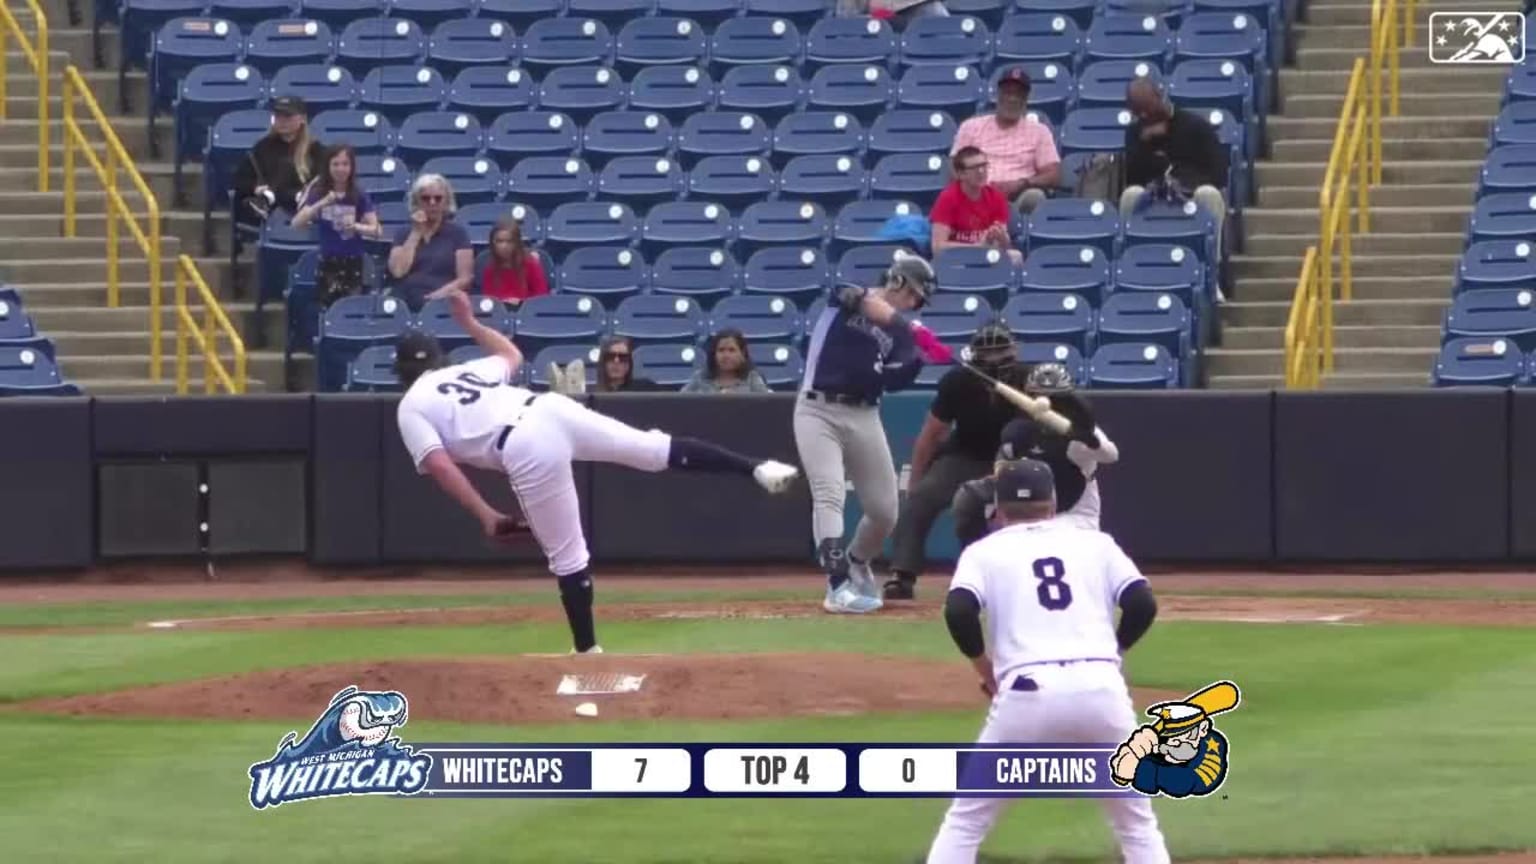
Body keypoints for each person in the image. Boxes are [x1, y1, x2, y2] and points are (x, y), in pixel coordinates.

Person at [393, 286, 802, 655]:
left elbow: (440, 465)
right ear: (438, 359)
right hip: (552, 408)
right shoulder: (458, 371)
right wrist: (470, 323)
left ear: (401, 373)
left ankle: (587, 650)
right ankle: (756, 467)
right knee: (653, 449)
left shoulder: (411, 406)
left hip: (523, 443)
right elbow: (511, 356)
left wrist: (487, 515)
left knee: (568, 555)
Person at [923, 458, 1166, 864]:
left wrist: (985, 669)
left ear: (998, 509)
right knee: (1137, 825)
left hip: (1027, 694)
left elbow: (959, 611)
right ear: (1053, 504)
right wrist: (1115, 652)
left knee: (966, 823)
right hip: (1102, 691)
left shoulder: (983, 552)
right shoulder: (1096, 543)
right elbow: (1142, 603)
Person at [793, 250, 954, 615]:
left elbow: (891, 382)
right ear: (896, 280)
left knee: (884, 510)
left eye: (918, 302)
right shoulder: (850, 295)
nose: (912, 304)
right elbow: (858, 299)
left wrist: (919, 357)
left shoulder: (900, 334)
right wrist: (906, 327)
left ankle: (855, 561)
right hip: (817, 409)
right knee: (829, 493)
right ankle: (836, 585)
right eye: (911, 294)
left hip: (864, 413)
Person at [883, 324, 1026, 602]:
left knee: (1020, 510)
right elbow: (931, 434)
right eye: (988, 353)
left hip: (1016, 459)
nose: (994, 359)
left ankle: (994, 576)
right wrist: (915, 483)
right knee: (921, 499)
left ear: (1013, 352)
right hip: (965, 456)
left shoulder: (1029, 379)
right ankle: (902, 574)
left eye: (1000, 352)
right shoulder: (958, 381)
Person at [951, 363, 1120, 550]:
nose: (1049, 403)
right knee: (969, 498)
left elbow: (1111, 456)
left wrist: (1090, 441)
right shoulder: (1019, 430)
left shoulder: (1081, 432)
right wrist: (1003, 512)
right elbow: (1003, 472)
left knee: (1045, 541)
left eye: (1056, 399)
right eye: (1038, 395)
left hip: (1074, 514)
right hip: (1031, 508)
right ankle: (975, 558)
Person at [1122, 78, 1230, 260]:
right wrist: (1144, 145)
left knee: (1209, 194)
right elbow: (1132, 177)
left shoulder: (1195, 126)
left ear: (1159, 97)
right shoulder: (1135, 133)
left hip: (1190, 193)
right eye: (1139, 111)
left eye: (1148, 108)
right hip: (1153, 196)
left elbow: (1219, 173)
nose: (1145, 115)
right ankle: (1131, 260)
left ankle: (1213, 265)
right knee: (1130, 194)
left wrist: (1185, 184)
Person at [951, 67, 1061, 213]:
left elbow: (1053, 175)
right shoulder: (971, 126)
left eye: (1019, 94)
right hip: (978, 195)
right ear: (998, 95)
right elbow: (954, 167)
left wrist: (1022, 183)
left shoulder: (1039, 131)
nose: (1012, 99)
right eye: (1008, 92)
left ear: (1026, 99)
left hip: (1019, 198)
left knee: (1035, 196)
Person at [290, 144, 382, 307]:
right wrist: (322, 203)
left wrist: (356, 227)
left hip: (353, 262)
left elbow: (377, 230)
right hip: (328, 261)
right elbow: (296, 223)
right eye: (335, 164)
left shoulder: (359, 195)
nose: (340, 169)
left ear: (351, 167)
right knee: (327, 309)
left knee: (349, 309)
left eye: (345, 164)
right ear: (328, 167)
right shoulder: (318, 193)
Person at [232, 96, 324, 238]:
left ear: (302, 119)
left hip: (304, 210)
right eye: (278, 116)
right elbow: (240, 180)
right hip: (269, 209)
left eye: (288, 116)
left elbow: (324, 180)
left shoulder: (316, 150)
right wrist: (255, 188)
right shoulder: (262, 147)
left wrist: (308, 194)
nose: (282, 121)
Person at [387, 174, 475, 312]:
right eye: (425, 198)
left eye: (438, 198)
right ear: (417, 202)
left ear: (446, 202)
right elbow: (398, 271)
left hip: (443, 300)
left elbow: (465, 278)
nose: (432, 203)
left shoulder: (458, 233)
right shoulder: (403, 233)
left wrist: (439, 295)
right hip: (405, 299)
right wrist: (416, 233)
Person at [930, 146, 1023, 265]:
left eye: (984, 165)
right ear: (961, 174)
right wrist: (976, 247)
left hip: (988, 257)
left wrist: (1002, 239)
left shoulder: (996, 197)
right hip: (957, 259)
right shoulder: (948, 198)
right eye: (974, 168)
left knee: (1016, 256)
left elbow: (1001, 246)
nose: (981, 171)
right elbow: (938, 247)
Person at [479, 217, 549, 308]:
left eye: (509, 241)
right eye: (499, 241)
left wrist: (521, 302)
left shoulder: (531, 264)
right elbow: (489, 301)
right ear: (493, 243)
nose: (504, 246)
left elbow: (542, 297)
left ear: (517, 243)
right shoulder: (490, 269)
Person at [682, 329, 772, 394]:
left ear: (742, 353)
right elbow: (680, 403)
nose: (726, 356)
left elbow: (765, 407)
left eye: (732, 350)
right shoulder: (700, 377)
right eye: (721, 350)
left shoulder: (752, 378)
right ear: (714, 354)